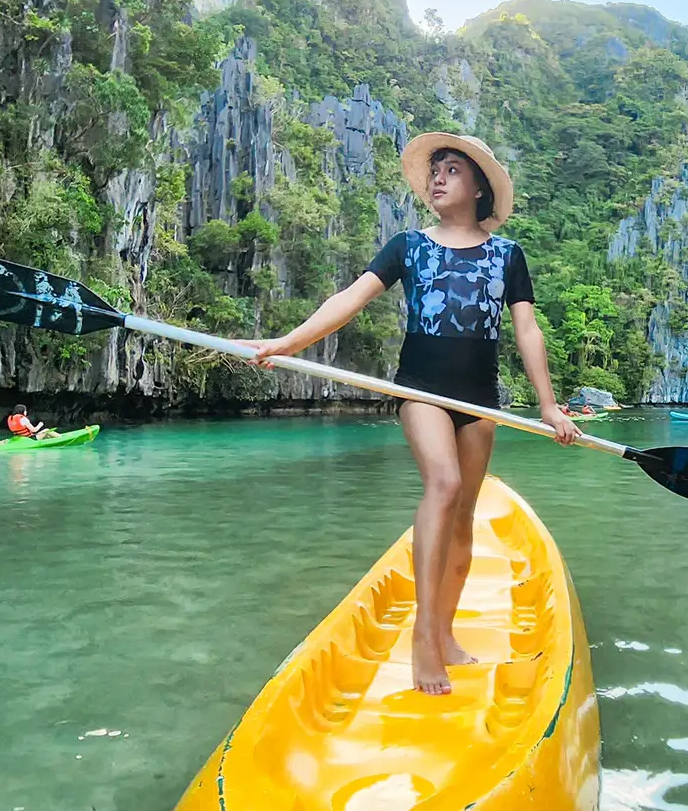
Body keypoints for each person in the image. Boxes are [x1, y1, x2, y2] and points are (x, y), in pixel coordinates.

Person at [248, 132, 581, 696]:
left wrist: (549, 406)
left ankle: (447, 633)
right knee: (444, 485)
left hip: (479, 400)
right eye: (435, 170)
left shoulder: (508, 256)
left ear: (478, 186)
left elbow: (527, 329)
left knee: (463, 518)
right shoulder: (408, 246)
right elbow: (349, 299)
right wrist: (287, 341)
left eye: (452, 169)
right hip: (422, 389)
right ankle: (423, 638)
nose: (439, 178)